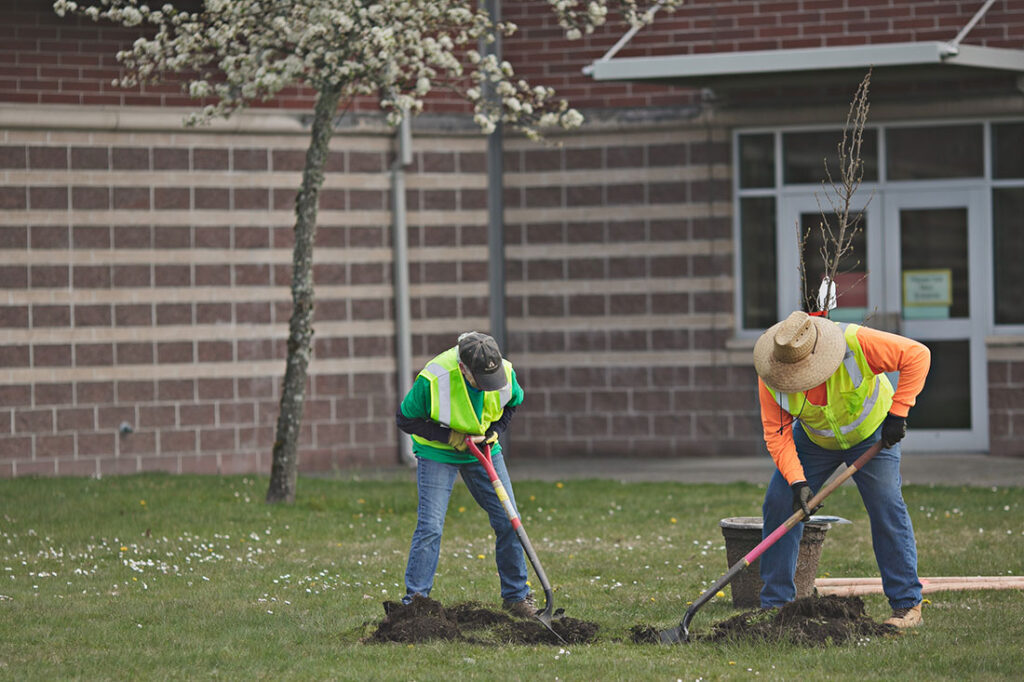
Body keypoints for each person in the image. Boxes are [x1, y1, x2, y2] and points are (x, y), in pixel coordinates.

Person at [753, 310, 931, 628]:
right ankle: (775, 607)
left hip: (872, 434)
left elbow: (917, 355)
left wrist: (899, 412)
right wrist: (797, 482)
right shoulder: (772, 374)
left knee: (886, 505)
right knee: (780, 502)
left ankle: (906, 605)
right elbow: (776, 435)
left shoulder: (854, 343)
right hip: (815, 441)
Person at [395, 331, 533, 616]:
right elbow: (405, 419)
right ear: (463, 368)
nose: (486, 387)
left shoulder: (505, 372)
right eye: (480, 380)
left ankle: (517, 598)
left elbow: (512, 403)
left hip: (484, 448)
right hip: (438, 452)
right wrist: (449, 437)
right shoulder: (434, 378)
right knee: (430, 527)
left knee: (509, 520)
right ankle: (415, 605)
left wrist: (495, 431)